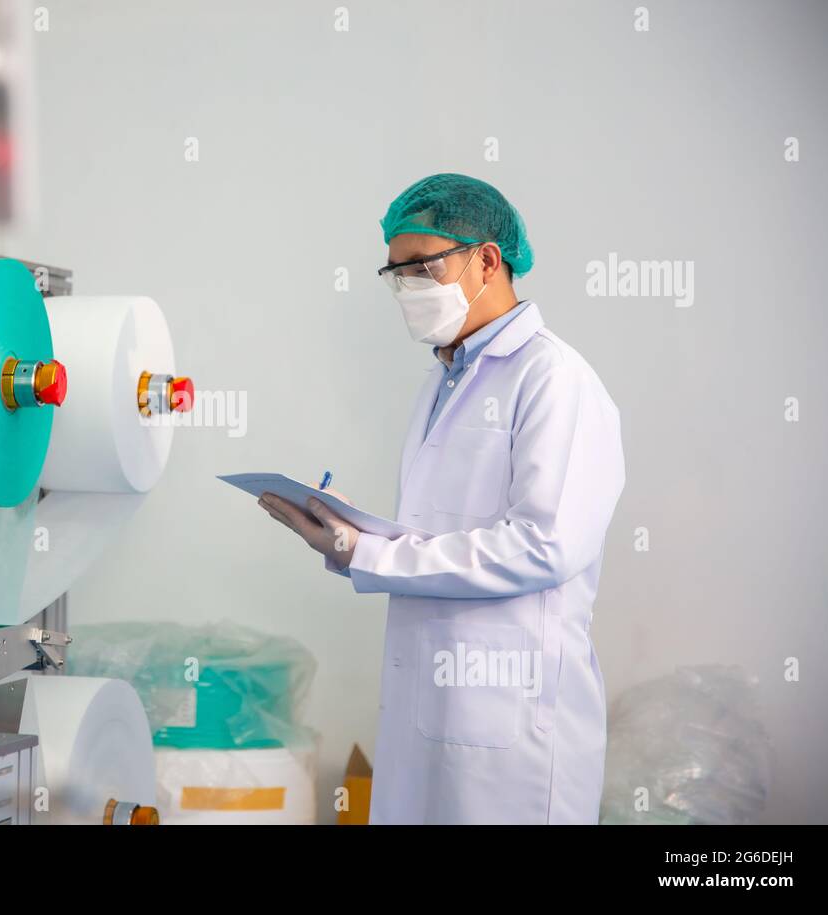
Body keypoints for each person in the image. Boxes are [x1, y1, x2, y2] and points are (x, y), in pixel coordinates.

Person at [259, 173, 625, 824]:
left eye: (422, 266)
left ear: (487, 259)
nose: (408, 287)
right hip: (435, 711)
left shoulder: (554, 378)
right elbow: (442, 533)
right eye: (395, 272)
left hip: (514, 741)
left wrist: (368, 552)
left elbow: (544, 547)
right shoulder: (442, 380)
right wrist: (355, 537)